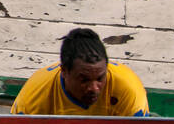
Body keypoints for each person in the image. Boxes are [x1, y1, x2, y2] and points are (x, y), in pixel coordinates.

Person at [11, 27, 150, 116]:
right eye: (84, 80)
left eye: (100, 78)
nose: (94, 88)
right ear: (64, 72)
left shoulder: (128, 90)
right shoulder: (33, 96)